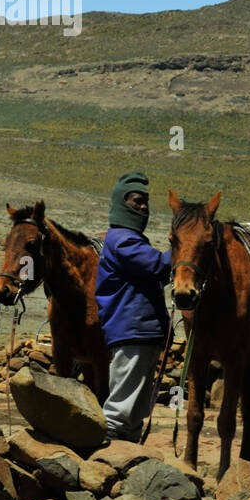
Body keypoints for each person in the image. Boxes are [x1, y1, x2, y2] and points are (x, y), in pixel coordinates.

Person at [94, 171, 172, 442]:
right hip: (132, 329)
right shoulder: (122, 240)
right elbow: (158, 265)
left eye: (146, 202)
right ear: (120, 203)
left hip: (140, 330)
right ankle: (109, 457)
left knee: (135, 407)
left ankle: (126, 457)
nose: (143, 207)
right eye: (137, 201)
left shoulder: (125, 239)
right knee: (122, 407)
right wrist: (186, 247)